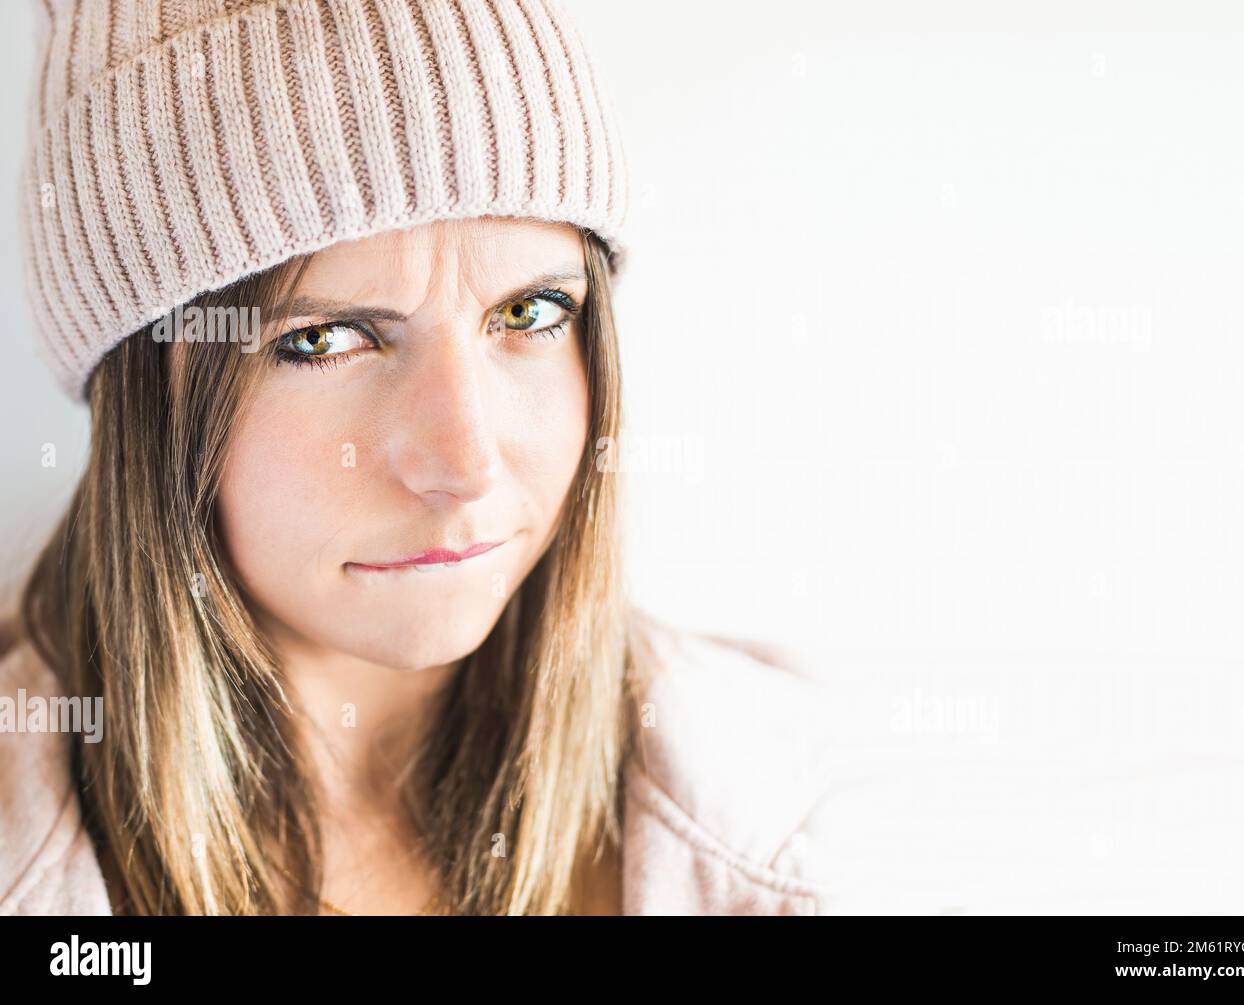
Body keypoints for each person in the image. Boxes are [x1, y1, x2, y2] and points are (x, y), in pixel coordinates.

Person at [0, 0, 832, 916]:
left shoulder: (794, 810)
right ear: (143, 399)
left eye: (528, 315)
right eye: (323, 341)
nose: (466, 464)